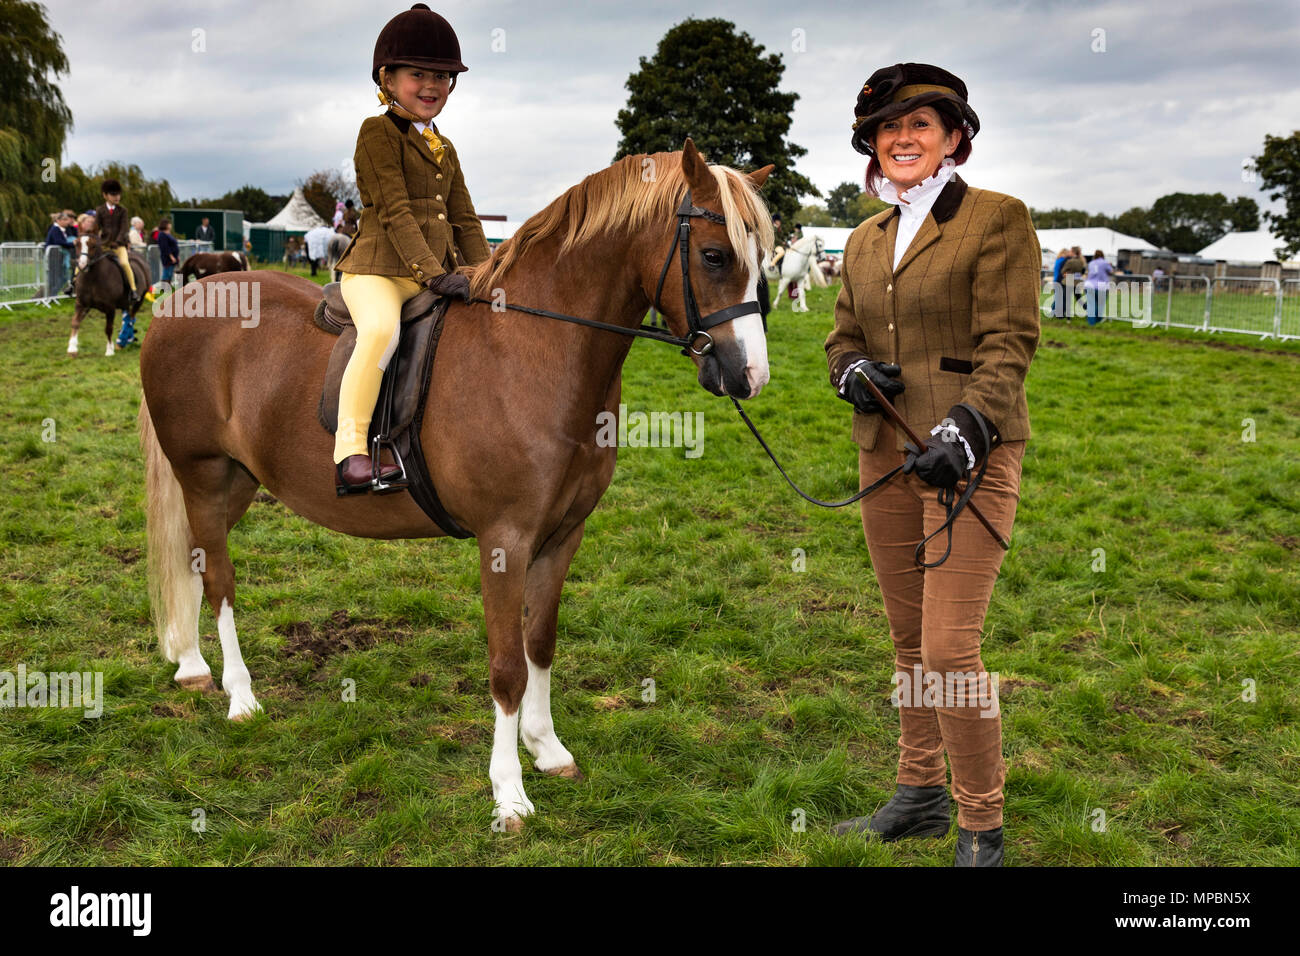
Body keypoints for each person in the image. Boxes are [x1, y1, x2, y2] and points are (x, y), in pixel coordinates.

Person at [824, 62, 1040, 867]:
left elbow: (1009, 339)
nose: (902, 139)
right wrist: (846, 370)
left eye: (920, 124)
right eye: (888, 128)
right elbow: (844, 333)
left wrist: (969, 424)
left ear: (954, 137)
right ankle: (919, 795)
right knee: (909, 642)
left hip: (967, 457)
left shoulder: (996, 218)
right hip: (885, 454)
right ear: (871, 148)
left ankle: (982, 825)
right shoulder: (865, 236)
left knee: (950, 649)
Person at [329, 3, 490, 494]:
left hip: (433, 272)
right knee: (380, 333)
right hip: (379, 272)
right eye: (417, 74)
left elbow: (463, 218)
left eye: (441, 76)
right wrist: (432, 273)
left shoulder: (445, 146)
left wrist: (487, 274)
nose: (431, 85)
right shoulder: (377, 132)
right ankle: (351, 452)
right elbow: (396, 210)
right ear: (387, 77)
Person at [93, 179, 142, 306]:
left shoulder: (122, 210)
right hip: (104, 244)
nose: (117, 197)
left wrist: (118, 241)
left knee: (125, 263)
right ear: (105, 195)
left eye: (118, 194)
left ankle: (133, 290)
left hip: (118, 245)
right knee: (86, 259)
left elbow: (124, 228)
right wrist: (94, 239)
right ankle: (73, 283)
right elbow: (97, 226)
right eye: (113, 194)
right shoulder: (100, 210)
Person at [1083, 249, 1113, 325]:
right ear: (1102, 255)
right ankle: (1097, 320)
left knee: (1091, 304)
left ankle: (1091, 322)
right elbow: (1111, 271)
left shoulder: (1091, 263)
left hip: (1089, 285)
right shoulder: (1105, 263)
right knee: (1100, 304)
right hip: (1101, 286)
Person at [157, 218, 180, 286]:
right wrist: (171, 256)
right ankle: (164, 289)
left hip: (174, 257)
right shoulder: (162, 235)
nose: (170, 225)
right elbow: (165, 247)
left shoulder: (168, 234)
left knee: (170, 274)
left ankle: (168, 288)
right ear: (165, 225)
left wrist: (177, 256)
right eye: (169, 223)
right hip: (167, 258)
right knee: (166, 273)